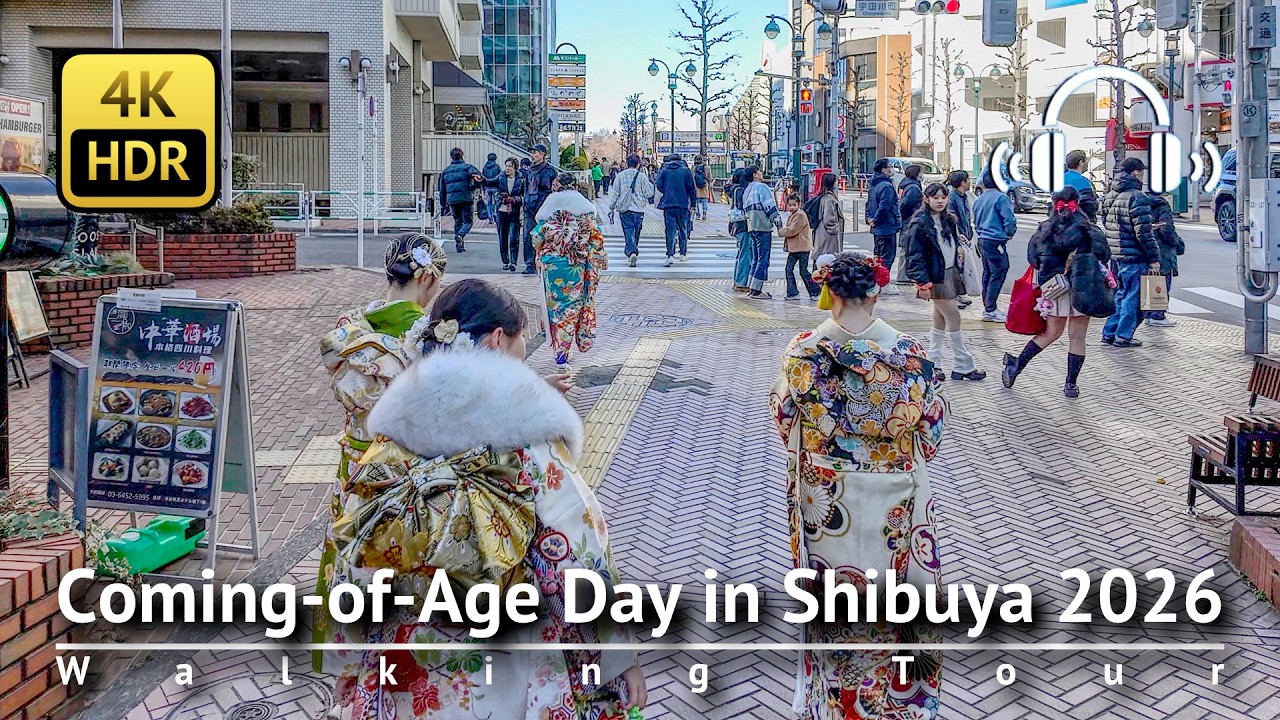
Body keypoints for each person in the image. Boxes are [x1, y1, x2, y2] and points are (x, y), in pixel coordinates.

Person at [340, 279, 645, 718]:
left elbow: (357, 551)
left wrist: (348, 658)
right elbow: (577, 556)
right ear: (500, 338)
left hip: (407, 657)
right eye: (523, 340)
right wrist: (617, 658)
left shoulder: (392, 435)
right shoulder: (529, 438)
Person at [770, 251, 948, 720]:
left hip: (825, 496)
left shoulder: (804, 350)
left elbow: (784, 416)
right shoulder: (910, 352)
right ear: (876, 292)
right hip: (896, 490)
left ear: (830, 293)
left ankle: (834, 703)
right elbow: (930, 431)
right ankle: (887, 701)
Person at [315, 233, 447, 686]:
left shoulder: (352, 324)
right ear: (427, 276)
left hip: (354, 458)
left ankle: (347, 670)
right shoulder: (426, 333)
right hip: (401, 464)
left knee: (349, 552)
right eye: (436, 281)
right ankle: (394, 674)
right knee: (399, 560)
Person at [1003, 187, 1112, 398]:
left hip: (1056, 288)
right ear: (1077, 203)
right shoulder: (1089, 229)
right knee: (1077, 336)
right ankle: (1071, 384)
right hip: (1083, 287)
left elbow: (1033, 259)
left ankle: (1017, 366)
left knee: (1051, 333)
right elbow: (1104, 255)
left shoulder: (1045, 229)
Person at [904, 182, 988, 381]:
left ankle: (934, 363)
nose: (940, 201)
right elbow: (914, 255)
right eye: (935, 197)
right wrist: (922, 283)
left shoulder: (949, 220)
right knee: (953, 316)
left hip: (949, 273)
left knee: (940, 319)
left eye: (943, 197)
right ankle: (963, 364)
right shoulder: (919, 223)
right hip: (934, 277)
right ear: (927, 199)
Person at [534, 172, 609, 369]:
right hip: (576, 264)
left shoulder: (549, 206)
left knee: (555, 305)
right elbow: (596, 239)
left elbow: (536, 238)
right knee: (572, 306)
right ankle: (563, 352)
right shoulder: (585, 208)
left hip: (552, 265)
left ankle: (559, 348)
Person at [1100, 157, 1160, 348]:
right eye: (1142, 173)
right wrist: (1154, 258)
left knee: (1119, 293)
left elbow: (1105, 222)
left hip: (1116, 254)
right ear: (1136, 173)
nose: (1143, 176)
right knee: (1132, 297)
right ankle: (1123, 335)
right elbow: (1143, 232)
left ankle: (1110, 331)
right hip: (1133, 254)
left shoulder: (1110, 195)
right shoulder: (1136, 196)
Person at [971, 169, 1018, 322]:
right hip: (996, 239)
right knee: (999, 271)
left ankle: (988, 306)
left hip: (983, 238)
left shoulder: (979, 199)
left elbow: (976, 221)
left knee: (988, 272)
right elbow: (1009, 220)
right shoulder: (1001, 199)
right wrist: (1009, 233)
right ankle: (990, 308)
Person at [1144, 189, 1184, 328]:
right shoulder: (1162, 205)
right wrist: (1177, 242)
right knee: (1163, 279)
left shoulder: (1142, 202)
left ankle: (1149, 314)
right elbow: (1167, 230)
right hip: (1163, 249)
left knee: (1152, 279)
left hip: (1149, 246)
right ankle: (1158, 315)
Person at [743, 165, 782, 299]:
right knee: (763, 259)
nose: (761, 173)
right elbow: (769, 205)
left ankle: (752, 287)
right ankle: (757, 290)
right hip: (763, 226)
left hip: (752, 226)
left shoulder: (747, 189)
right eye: (759, 171)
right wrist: (778, 221)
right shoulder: (761, 187)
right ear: (755, 174)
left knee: (755, 258)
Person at [609, 153, 656, 267]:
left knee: (628, 230)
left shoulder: (620, 176)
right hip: (639, 208)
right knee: (636, 231)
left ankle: (632, 252)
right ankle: (633, 251)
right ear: (638, 164)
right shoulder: (642, 176)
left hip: (624, 208)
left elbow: (615, 193)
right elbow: (649, 193)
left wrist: (611, 207)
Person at [865, 159, 902, 293]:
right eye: (890, 167)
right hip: (887, 225)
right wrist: (876, 218)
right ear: (884, 170)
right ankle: (883, 283)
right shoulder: (886, 186)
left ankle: (877, 282)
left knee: (879, 255)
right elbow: (885, 205)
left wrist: (870, 218)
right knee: (887, 256)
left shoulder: (873, 185)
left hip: (878, 227)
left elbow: (869, 204)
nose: (891, 169)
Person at [522, 143, 559, 275]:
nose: (533, 155)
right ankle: (529, 264)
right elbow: (526, 188)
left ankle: (544, 261)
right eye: (532, 153)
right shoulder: (529, 171)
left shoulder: (549, 171)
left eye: (535, 152)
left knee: (545, 236)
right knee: (527, 236)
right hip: (529, 207)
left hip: (544, 208)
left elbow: (553, 190)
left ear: (543, 154)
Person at [438, 148, 483, 253]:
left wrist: (443, 203)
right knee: (468, 222)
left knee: (457, 221)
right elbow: (478, 177)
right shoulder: (467, 167)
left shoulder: (446, 171)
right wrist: (474, 186)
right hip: (466, 198)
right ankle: (460, 235)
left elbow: (442, 190)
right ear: (462, 156)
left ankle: (459, 245)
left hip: (452, 199)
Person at [486, 156, 526, 272]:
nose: (507, 168)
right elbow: (489, 182)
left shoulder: (521, 180)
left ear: (515, 168)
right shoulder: (501, 177)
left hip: (515, 211)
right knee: (503, 237)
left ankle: (513, 262)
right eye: (506, 166)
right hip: (502, 211)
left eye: (510, 166)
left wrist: (514, 199)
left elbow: (524, 196)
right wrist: (480, 179)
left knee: (514, 237)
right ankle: (505, 261)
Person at [656, 154, 696, 267]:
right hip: (683, 204)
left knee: (670, 230)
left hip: (668, 204)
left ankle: (670, 255)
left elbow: (658, 185)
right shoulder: (685, 171)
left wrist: (667, 190)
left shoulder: (664, 170)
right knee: (683, 228)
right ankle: (683, 253)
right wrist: (693, 203)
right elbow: (691, 188)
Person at [778, 194, 821, 300]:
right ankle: (796, 292)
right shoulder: (795, 214)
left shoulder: (800, 215)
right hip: (796, 248)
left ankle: (813, 291)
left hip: (801, 248)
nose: (792, 207)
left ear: (799, 204)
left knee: (801, 270)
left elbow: (793, 230)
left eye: (794, 205)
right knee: (792, 269)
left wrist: (780, 231)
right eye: (790, 205)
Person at [729, 168, 754, 292]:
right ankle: (742, 282)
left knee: (742, 254)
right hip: (744, 225)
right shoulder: (741, 190)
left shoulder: (734, 189)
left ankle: (738, 280)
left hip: (737, 225)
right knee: (746, 254)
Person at [813, 172, 845, 259]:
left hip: (822, 233)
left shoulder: (823, 196)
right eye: (836, 181)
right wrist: (834, 229)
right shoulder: (830, 199)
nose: (837, 183)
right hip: (828, 235)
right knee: (829, 259)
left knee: (821, 258)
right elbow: (829, 218)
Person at [1061, 149, 1099, 222]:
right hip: (1079, 224)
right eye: (1086, 161)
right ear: (1081, 162)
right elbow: (1090, 207)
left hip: (1061, 223)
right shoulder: (1083, 181)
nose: (1087, 163)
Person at [481, 152, 502, 226]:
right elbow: (500, 178)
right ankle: (495, 213)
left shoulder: (485, 167)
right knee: (496, 202)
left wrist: (483, 188)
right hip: (495, 187)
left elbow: (482, 178)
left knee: (488, 203)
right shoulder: (497, 167)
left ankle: (490, 218)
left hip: (487, 187)